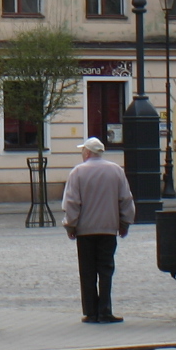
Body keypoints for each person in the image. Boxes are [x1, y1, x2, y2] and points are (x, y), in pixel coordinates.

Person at [62, 137, 134, 324]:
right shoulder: (116, 171)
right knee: (106, 270)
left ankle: (91, 312)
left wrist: (70, 225)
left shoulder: (77, 172)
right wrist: (124, 223)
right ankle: (105, 310)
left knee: (87, 271)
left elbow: (72, 203)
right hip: (108, 229)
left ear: (87, 152)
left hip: (85, 230)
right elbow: (126, 199)